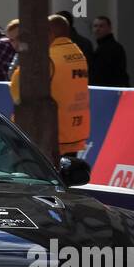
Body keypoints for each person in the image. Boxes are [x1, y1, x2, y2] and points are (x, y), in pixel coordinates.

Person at [10, 14, 90, 163]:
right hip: (75, 133)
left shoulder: (48, 58)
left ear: (49, 33)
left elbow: (18, 83)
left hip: (52, 135)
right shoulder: (78, 54)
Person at [89, 15, 130, 87]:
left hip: (109, 89)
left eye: (101, 26)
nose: (97, 29)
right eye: (95, 26)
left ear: (109, 28)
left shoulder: (113, 48)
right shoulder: (102, 47)